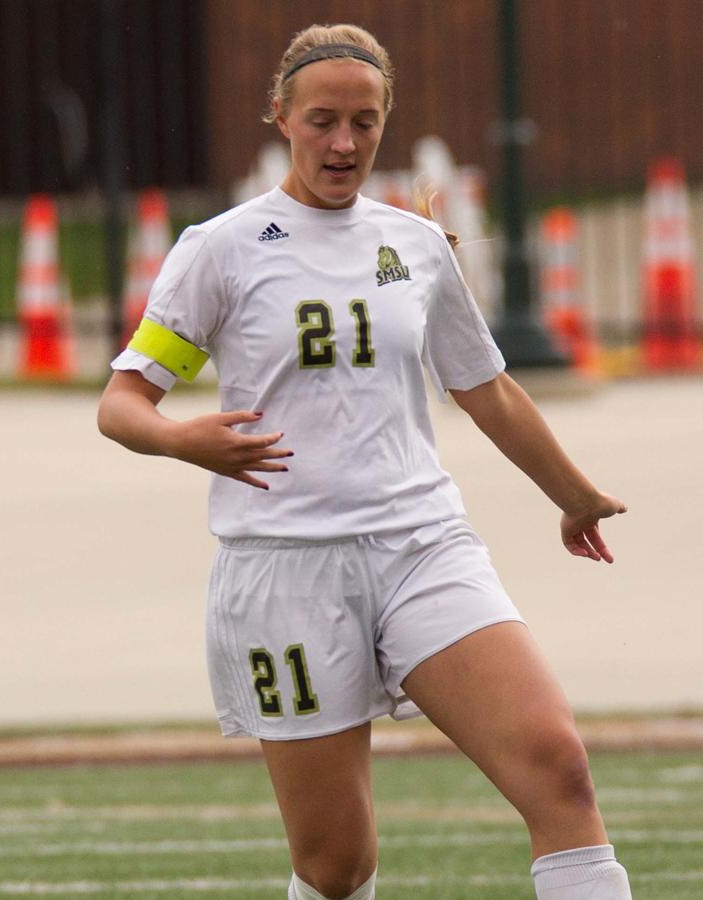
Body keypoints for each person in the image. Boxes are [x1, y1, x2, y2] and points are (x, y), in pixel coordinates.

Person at [95, 24, 632, 900]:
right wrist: (187, 439)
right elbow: (122, 404)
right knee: (336, 865)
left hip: (422, 547)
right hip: (285, 573)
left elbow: (485, 388)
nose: (344, 143)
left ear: (386, 120)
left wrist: (573, 496)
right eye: (321, 121)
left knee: (559, 768)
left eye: (364, 121)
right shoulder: (221, 249)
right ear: (279, 117)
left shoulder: (415, 246)